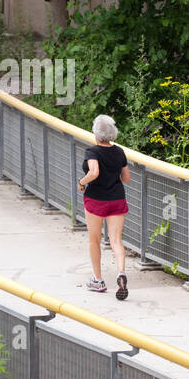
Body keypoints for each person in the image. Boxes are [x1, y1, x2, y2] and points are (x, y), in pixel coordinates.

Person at [77, 114, 131, 300]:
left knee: (94, 239)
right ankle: (121, 272)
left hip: (96, 200)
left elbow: (94, 172)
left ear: (96, 133)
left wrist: (81, 182)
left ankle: (98, 280)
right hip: (117, 198)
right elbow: (126, 178)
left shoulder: (92, 151)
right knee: (116, 240)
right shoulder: (119, 152)